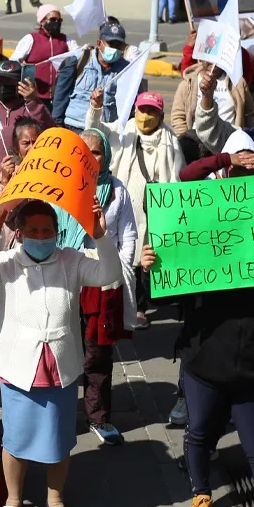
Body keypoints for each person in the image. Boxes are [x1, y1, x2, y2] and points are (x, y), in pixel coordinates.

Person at [0, 198, 121, 507]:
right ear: (20, 233)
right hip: (20, 367)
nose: (41, 235)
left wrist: (101, 237)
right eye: (33, 230)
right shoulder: (5, 263)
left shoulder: (72, 260)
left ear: (56, 232)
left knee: (59, 440)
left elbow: (110, 274)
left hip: (61, 365)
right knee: (16, 441)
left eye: (47, 230)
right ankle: (14, 500)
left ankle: (56, 499)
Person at [139, 241, 254, 507]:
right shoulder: (200, 251)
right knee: (199, 431)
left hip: (252, 367)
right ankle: (201, 495)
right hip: (205, 364)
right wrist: (149, 271)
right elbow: (164, 296)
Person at [61, 130, 137, 446]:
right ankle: (61, 417)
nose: (90, 158)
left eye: (97, 152)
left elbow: (129, 235)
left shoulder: (118, 191)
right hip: (65, 277)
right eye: (84, 152)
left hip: (102, 283)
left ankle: (99, 416)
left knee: (97, 353)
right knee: (61, 351)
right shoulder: (63, 186)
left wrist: (117, 271)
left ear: (105, 155)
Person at [86, 90, 183, 330]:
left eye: (151, 111)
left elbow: (176, 178)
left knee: (147, 256)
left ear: (161, 114)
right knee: (127, 249)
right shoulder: (124, 132)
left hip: (155, 210)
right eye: (142, 110)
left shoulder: (171, 141)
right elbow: (94, 135)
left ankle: (140, 307)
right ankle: (127, 304)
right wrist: (96, 108)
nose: (145, 115)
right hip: (126, 205)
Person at [0, 60, 54, 192]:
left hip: (18, 184)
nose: (3, 86)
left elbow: (50, 132)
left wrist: (34, 101)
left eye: (9, 82)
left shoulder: (31, 107)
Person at [52, 22, 130, 131]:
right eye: (111, 44)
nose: (115, 49)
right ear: (99, 43)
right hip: (76, 128)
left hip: (107, 131)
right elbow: (61, 95)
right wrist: (58, 126)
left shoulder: (126, 69)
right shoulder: (79, 60)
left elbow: (129, 103)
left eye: (119, 45)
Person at [10, 6, 78, 104]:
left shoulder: (67, 39)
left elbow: (79, 55)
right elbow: (13, 61)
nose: (57, 22)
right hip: (35, 96)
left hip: (60, 96)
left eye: (59, 20)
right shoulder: (31, 39)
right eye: (53, 19)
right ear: (42, 21)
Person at [170, 63, 252, 138]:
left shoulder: (237, 83)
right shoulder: (187, 84)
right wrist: (187, 140)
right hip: (198, 145)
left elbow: (249, 115)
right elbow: (178, 117)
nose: (213, 61)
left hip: (230, 144)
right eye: (210, 53)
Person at [0, 117, 42, 196]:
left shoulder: (51, 168)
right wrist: (5, 180)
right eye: (26, 143)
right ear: (16, 146)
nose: (32, 148)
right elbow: (0, 206)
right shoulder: (4, 174)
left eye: (36, 142)